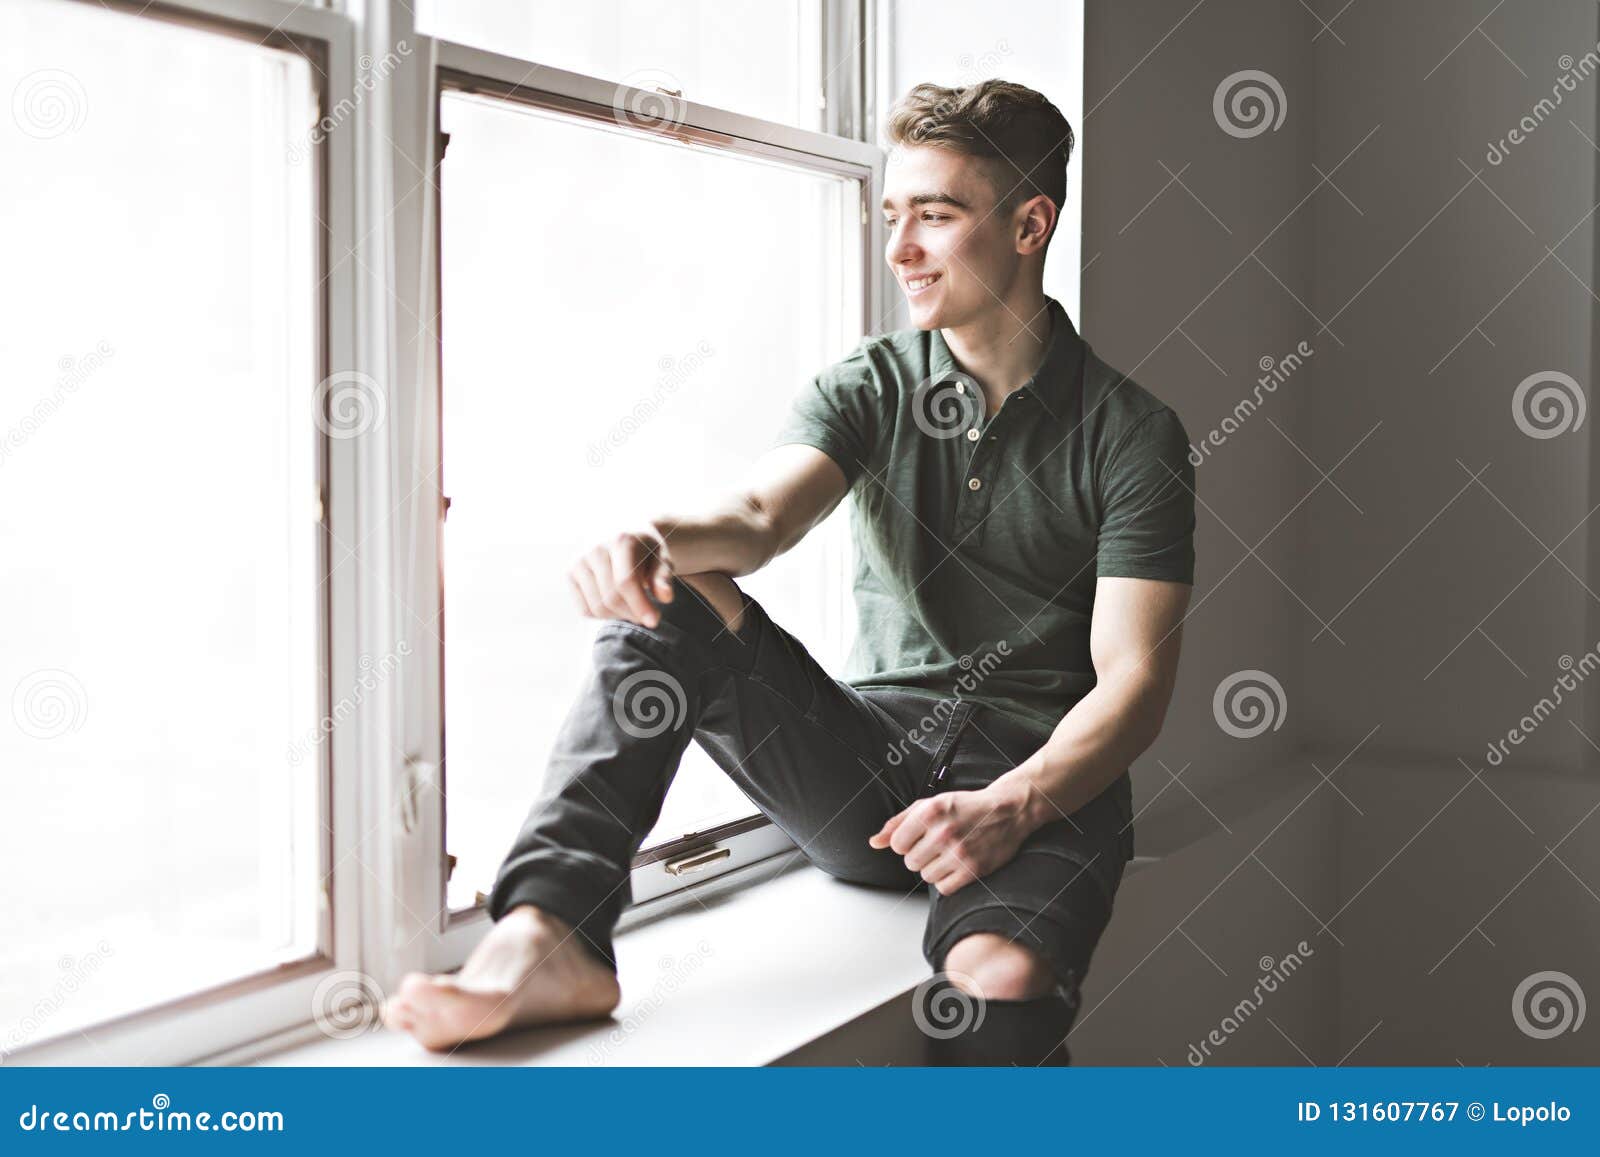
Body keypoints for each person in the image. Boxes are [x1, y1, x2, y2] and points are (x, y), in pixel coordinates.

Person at [383, 78, 1196, 1064]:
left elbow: (1134, 681)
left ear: (1030, 225)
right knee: (672, 593)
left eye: (935, 216)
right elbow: (760, 518)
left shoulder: (1131, 433)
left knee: (1001, 980)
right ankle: (551, 934)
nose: (900, 250)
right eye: (892, 216)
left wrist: (1012, 805)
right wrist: (655, 538)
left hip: (1037, 781)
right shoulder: (870, 384)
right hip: (871, 765)